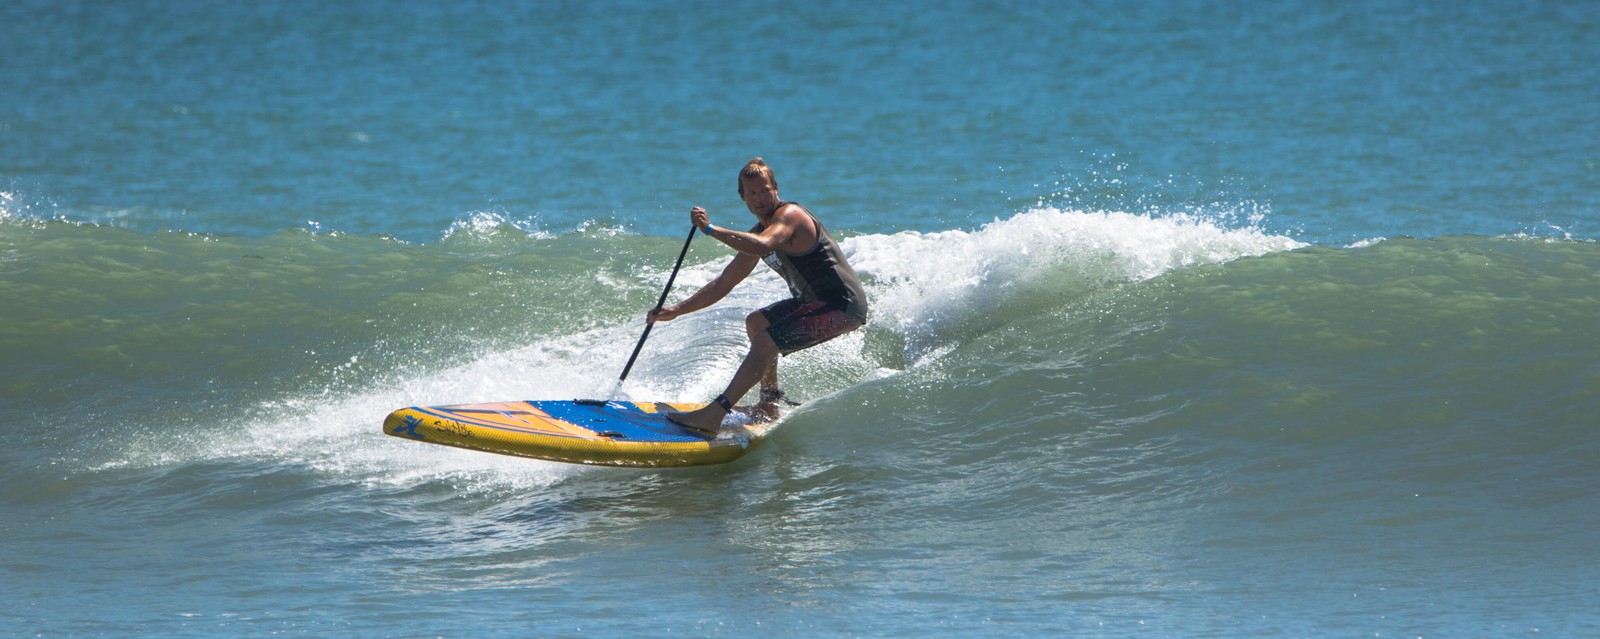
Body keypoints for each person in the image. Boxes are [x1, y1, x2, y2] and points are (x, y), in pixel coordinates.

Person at [646, 158, 869, 435]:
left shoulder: (790, 216)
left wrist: (710, 230)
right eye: (752, 193)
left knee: (766, 340)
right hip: (813, 303)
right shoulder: (758, 232)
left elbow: (764, 244)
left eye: (765, 190)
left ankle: (714, 414)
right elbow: (724, 282)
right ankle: (768, 404)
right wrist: (676, 310)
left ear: (775, 188)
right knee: (757, 323)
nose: (760, 198)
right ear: (743, 198)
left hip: (841, 306)